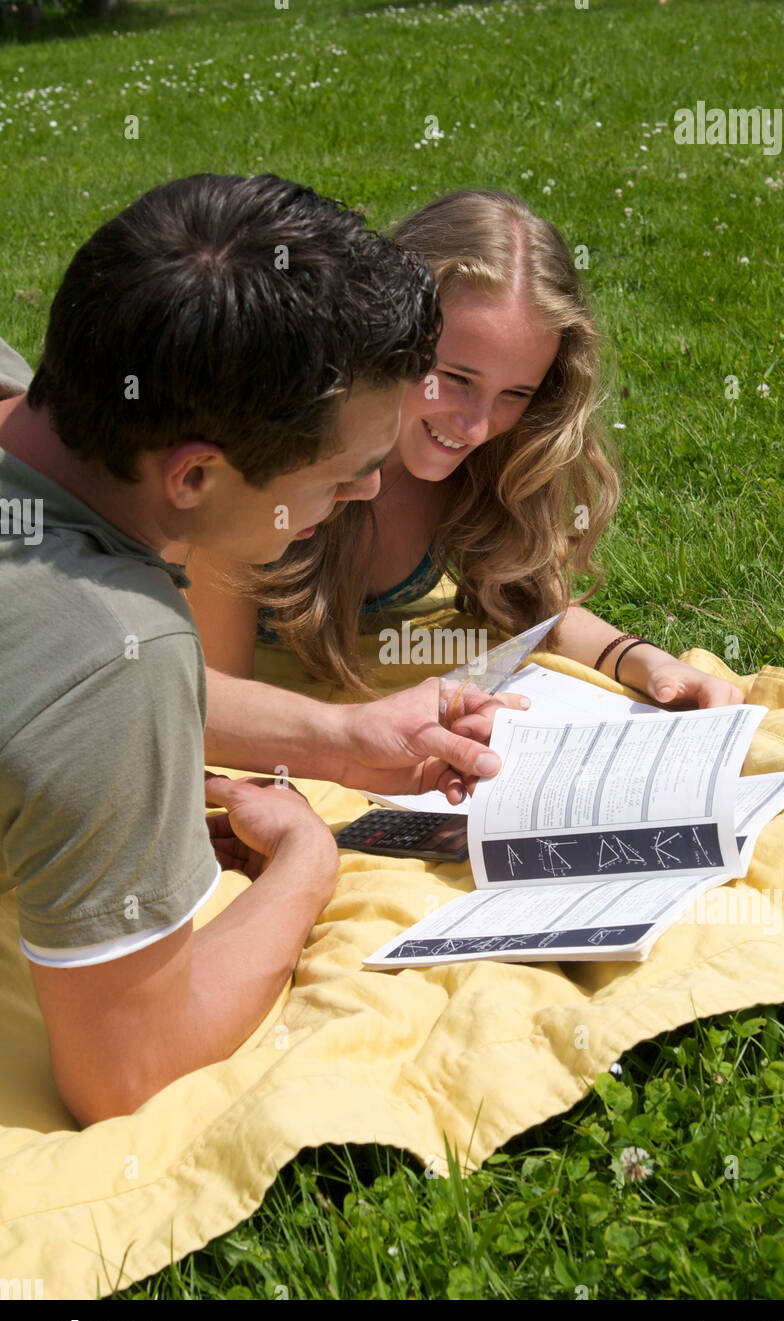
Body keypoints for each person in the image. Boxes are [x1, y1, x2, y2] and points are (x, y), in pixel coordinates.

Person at [0, 173, 522, 1128]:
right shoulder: (121, 650)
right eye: (344, 475)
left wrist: (336, 736)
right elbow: (127, 1074)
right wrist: (305, 863)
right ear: (195, 473)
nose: (367, 495)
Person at [174, 189, 745, 709]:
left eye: (515, 392)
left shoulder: (496, 461)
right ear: (383, 335)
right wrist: (356, 742)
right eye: (455, 378)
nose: (475, 427)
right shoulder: (265, 464)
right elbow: (207, 709)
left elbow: (530, 611)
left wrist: (642, 661)